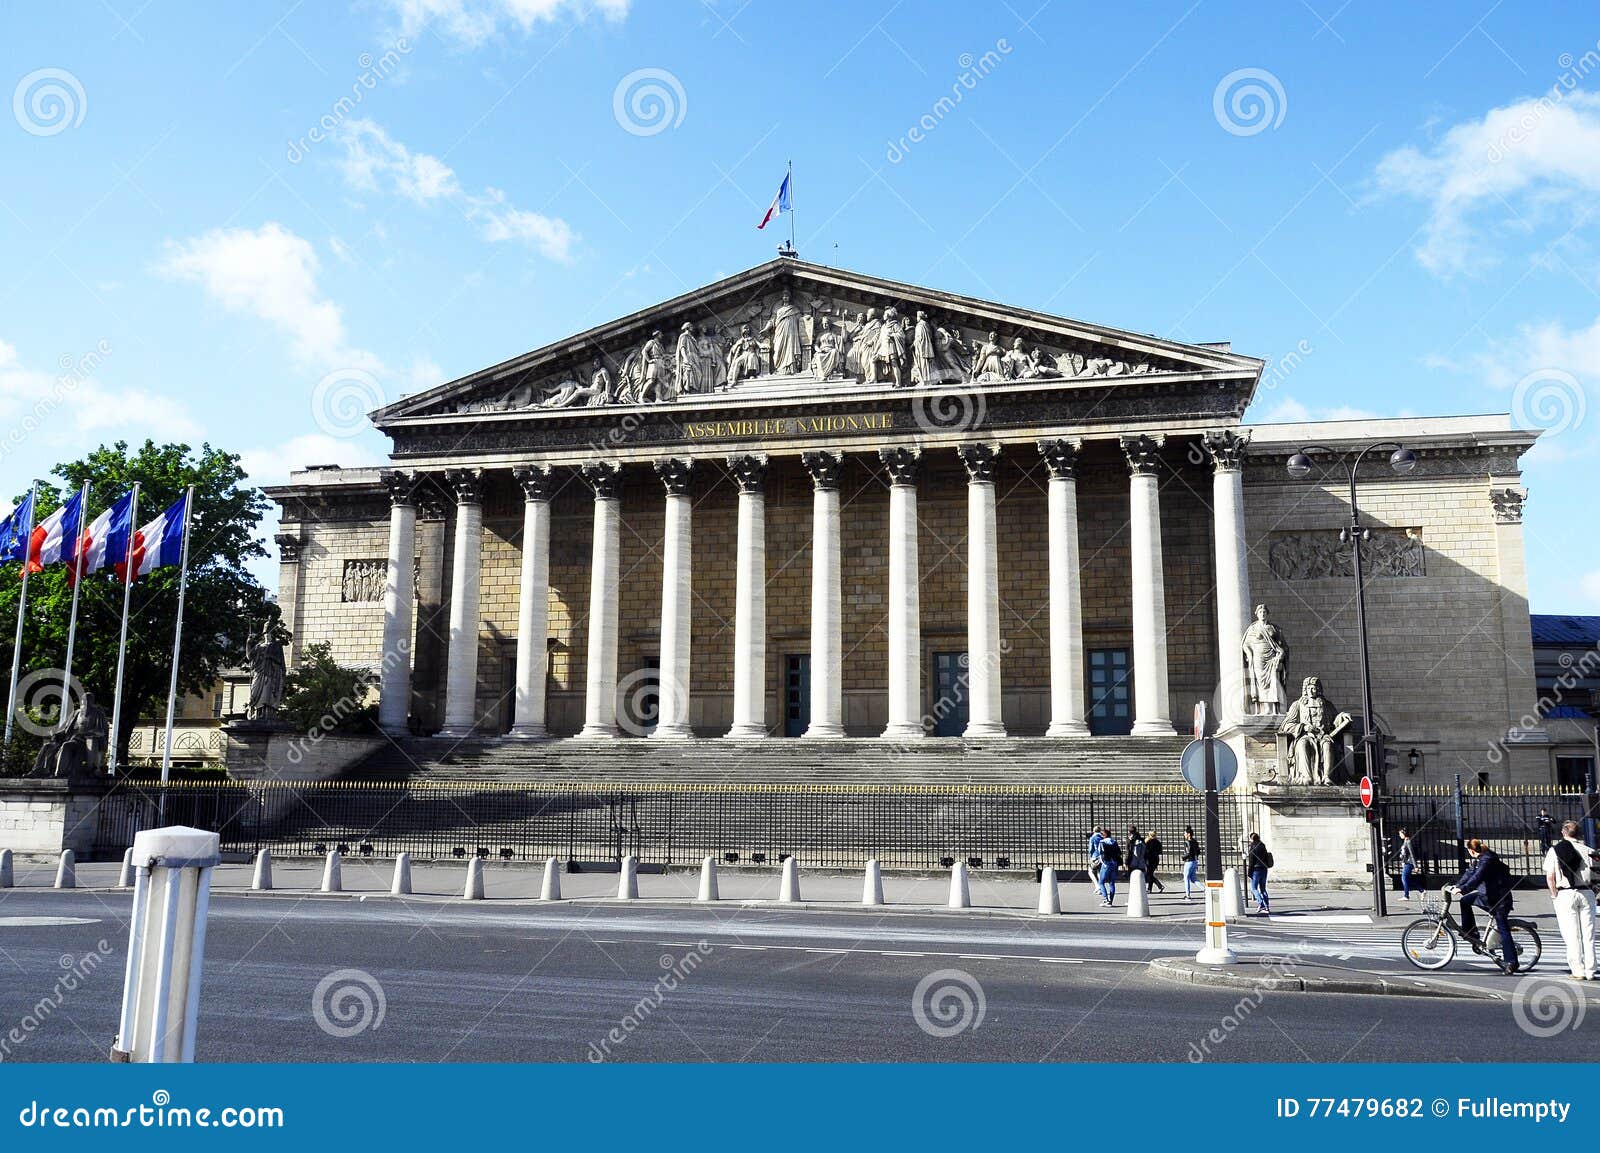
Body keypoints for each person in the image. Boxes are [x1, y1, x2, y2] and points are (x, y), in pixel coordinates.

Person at [1449, 839, 1519, 973]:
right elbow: (1469, 874)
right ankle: (1471, 933)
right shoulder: (1479, 859)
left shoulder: (1487, 860)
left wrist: (1463, 889)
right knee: (1465, 901)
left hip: (1499, 899)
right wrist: (1457, 886)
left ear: (1471, 850)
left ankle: (1512, 962)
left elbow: (1477, 877)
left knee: (1503, 929)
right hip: (1487, 896)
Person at [1544, 820, 1597, 981]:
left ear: (1563, 833)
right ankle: (1590, 970)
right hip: (1586, 892)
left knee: (1571, 934)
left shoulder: (1555, 850)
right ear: (1580, 834)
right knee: (1588, 933)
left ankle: (1578, 970)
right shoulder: (1589, 850)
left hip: (1565, 893)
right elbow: (1596, 875)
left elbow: (1550, 877)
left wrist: (1554, 896)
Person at [1245, 832, 1273, 915]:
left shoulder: (1252, 848)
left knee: (1254, 888)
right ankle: (1267, 906)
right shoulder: (1263, 846)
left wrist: (1249, 873)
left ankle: (1261, 904)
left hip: (1256, 870)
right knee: (1263, 888)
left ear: (1251, 839)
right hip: (1264, 869)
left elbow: (1251, 862)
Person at [1098, 832, 1122, 908]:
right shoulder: (1114, 842)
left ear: (1104, 836)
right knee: (1112, 883)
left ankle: (1106, 899)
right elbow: (1119, 852)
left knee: (1101, 882)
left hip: (1106, 863)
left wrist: (1102, 862)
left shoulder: (1102, 842)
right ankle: (1110, 901)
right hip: (1114, 863)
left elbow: (1101, 853)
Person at [1396, 828, 1420, 901]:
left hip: (1409, 863)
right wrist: (1403, 861)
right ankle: (1422, 890)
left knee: (1403, 878)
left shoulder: (1409, 841)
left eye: (1400, 834)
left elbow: (1412, 854)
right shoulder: (1405, 841)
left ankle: (1406, 895)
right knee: (1407, 879)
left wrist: (1416, 866)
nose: (1399, 835)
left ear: (1404, 834)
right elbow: (1404, 853)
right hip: (1406, 862)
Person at [1087, 826, 1107, 904]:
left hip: (1095, 857)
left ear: (1093, 831)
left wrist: (1091, 857)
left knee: (1090, 871)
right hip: (1102, 857)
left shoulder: (1093, 838)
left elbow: (1090, 849)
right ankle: (1100, 887)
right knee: (1099, 872)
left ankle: (1097, 886)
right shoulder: (1102, 837)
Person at [1181, 825, 1201, 901]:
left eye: (1185, 833)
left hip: (1189, 862)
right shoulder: (1195, 841)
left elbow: (1188, 852)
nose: (1184, 835)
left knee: (1186, 878)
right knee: (1193, 878)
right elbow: (1198, 851)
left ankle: (1187, 895)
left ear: (1188, 834)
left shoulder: (1187, 842)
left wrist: (1183, 857)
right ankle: (1205, 890)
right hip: (1194, 861)